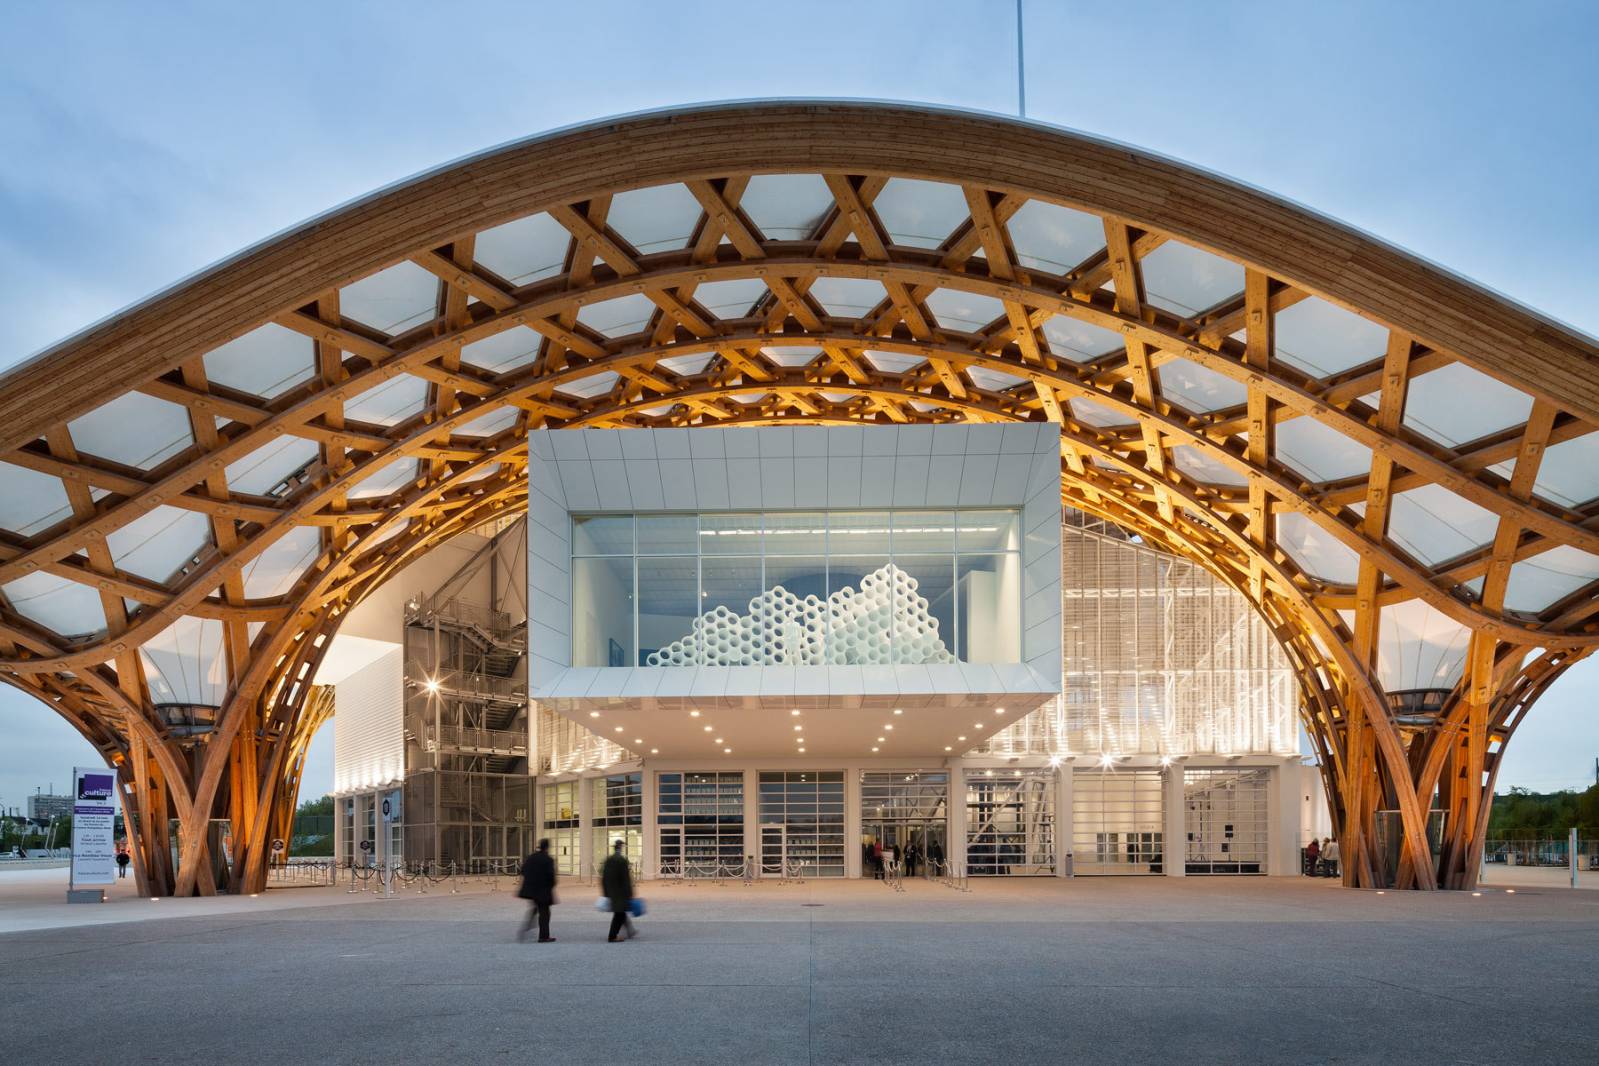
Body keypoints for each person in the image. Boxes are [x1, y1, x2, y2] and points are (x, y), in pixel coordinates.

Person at [517, 838, 558, 943]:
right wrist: (552, 884)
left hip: (532, 890)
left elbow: (523, 870)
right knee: (545, 913)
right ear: (547, 847)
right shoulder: (548, 859)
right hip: (543, 891)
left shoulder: (531, 857)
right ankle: (543, 936)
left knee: (536, 909)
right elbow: (551, 876)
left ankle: (526, 927)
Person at [601, 839, 636, 942]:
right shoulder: (622, 860)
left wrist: (605, 892)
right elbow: (626, 879)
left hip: (612, 891)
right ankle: (612, 936)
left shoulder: (608, 859)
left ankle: (630, 930)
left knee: (621, 912)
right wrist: (630, 892)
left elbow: (604, 877)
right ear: (621, 847)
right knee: (619, 914)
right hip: (620, 892)